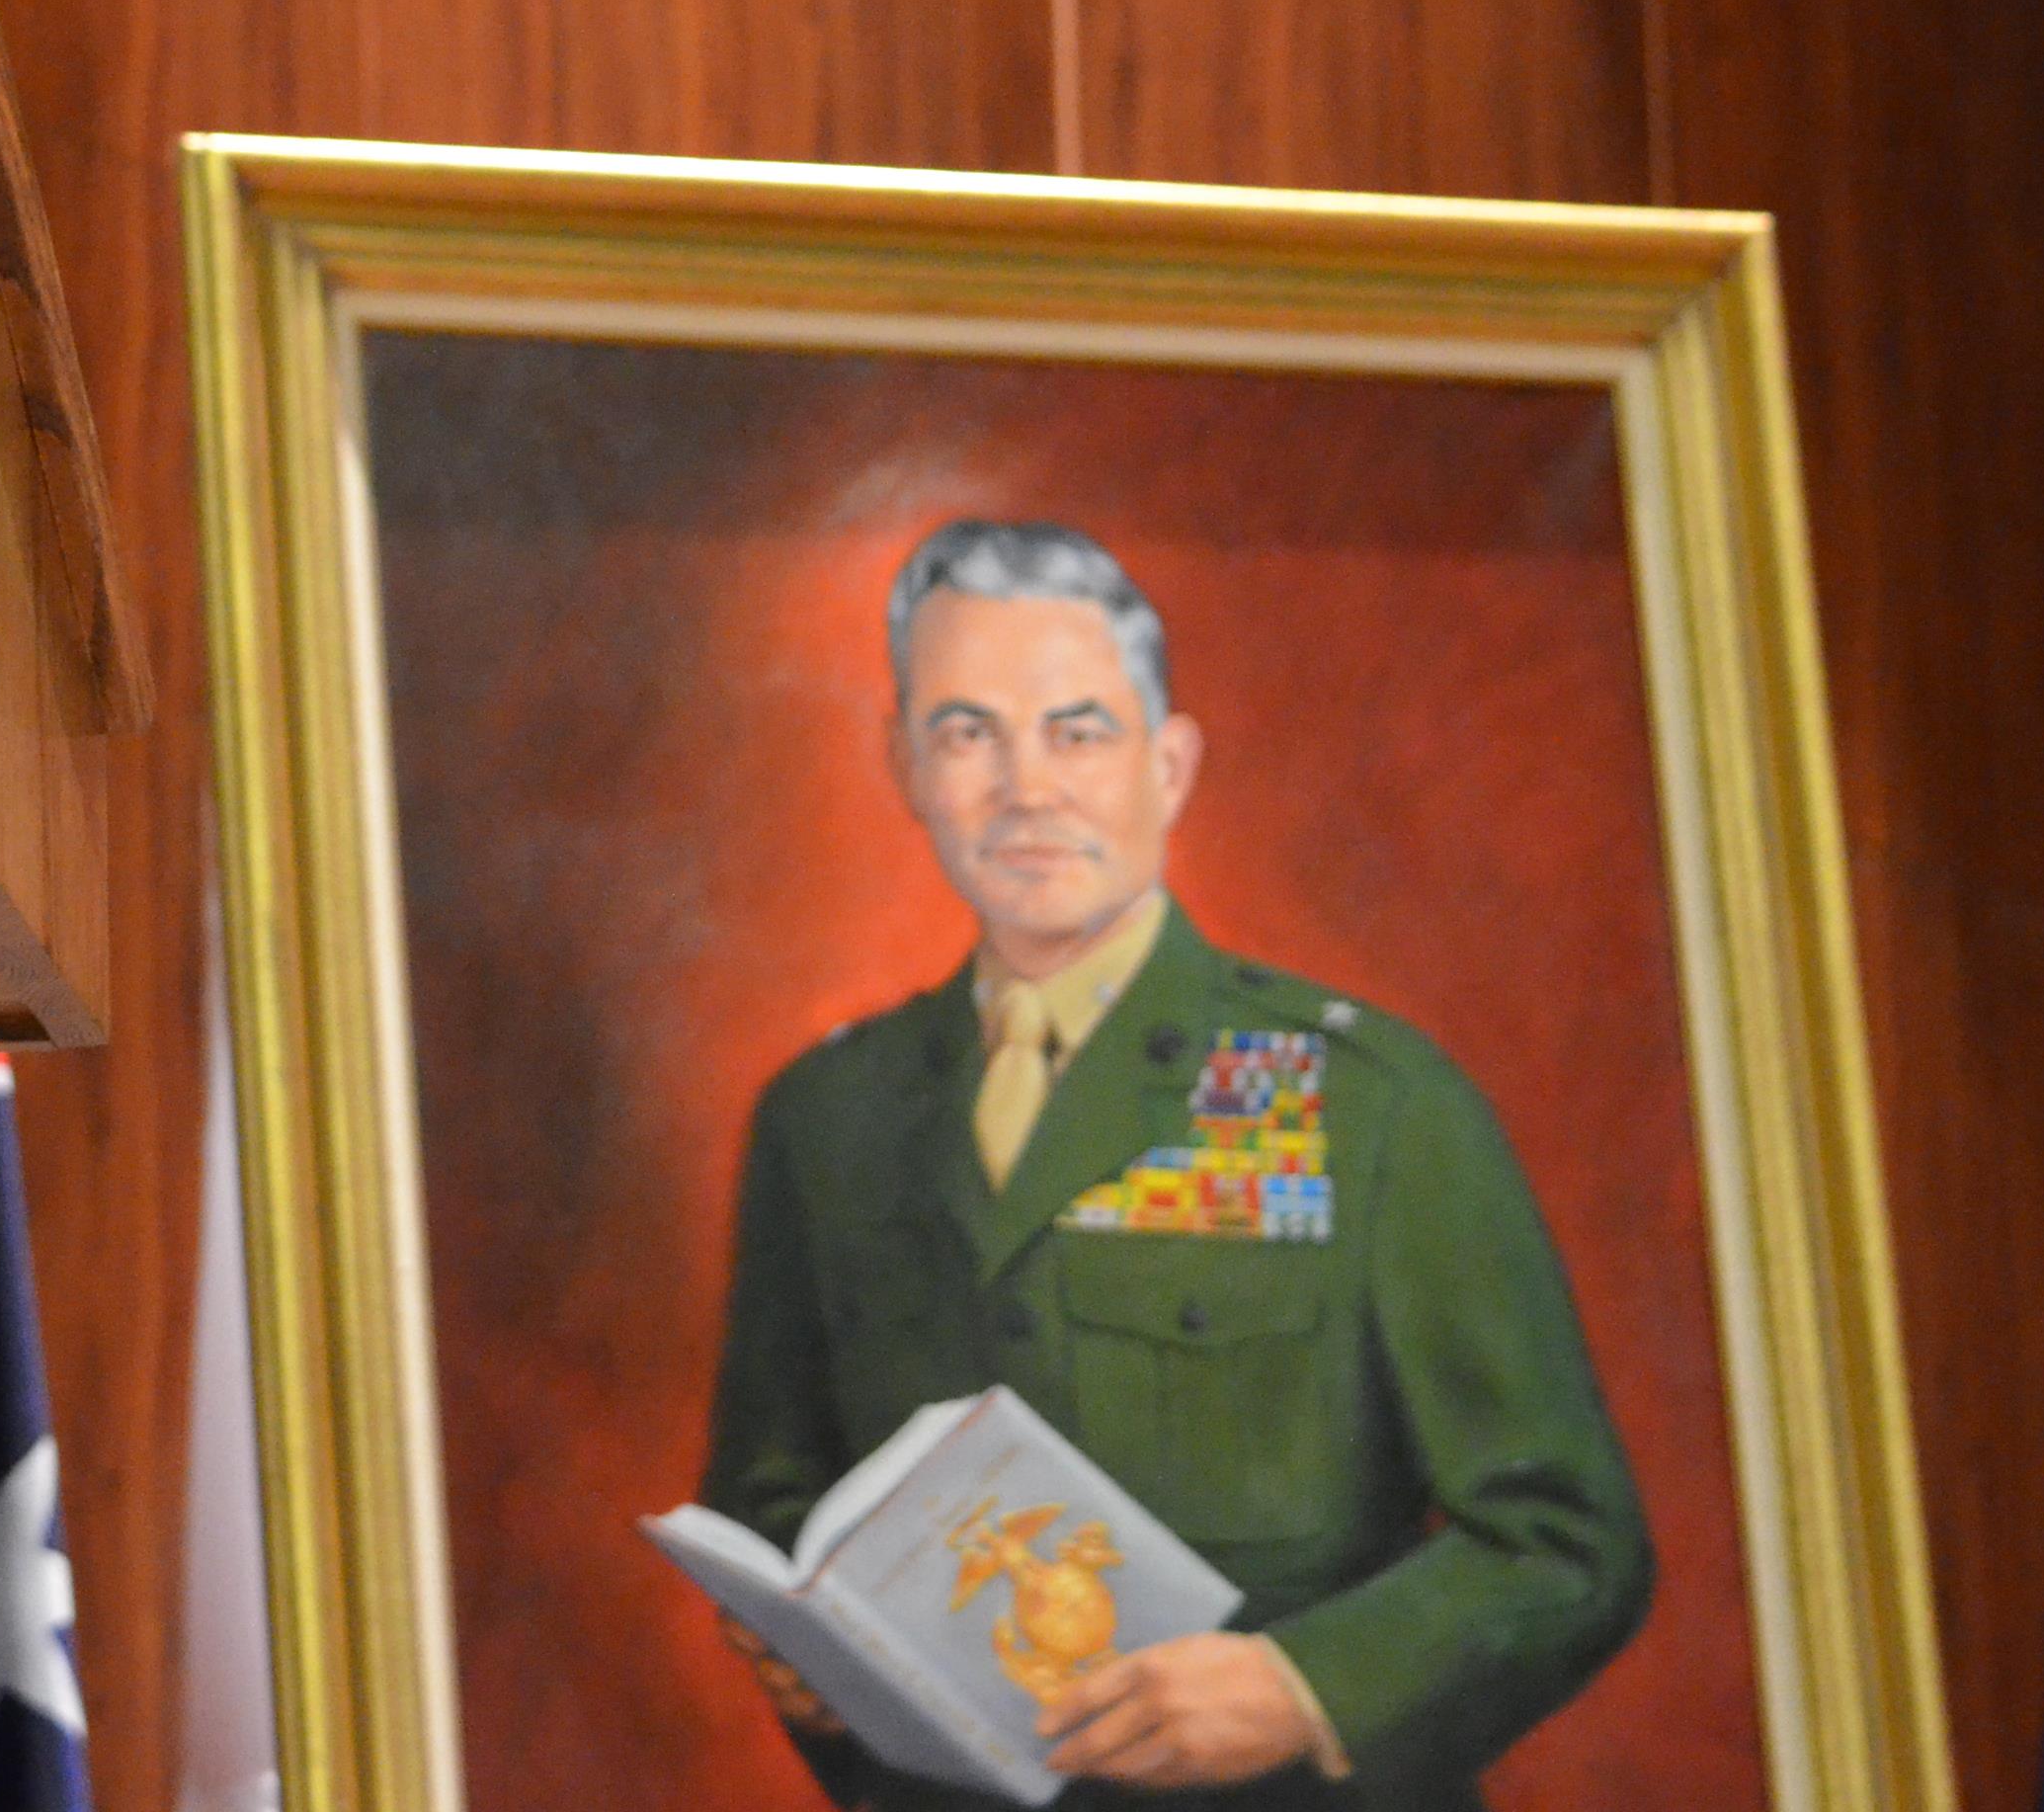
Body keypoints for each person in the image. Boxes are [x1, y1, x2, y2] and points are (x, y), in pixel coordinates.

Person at [699, 522, 1649, 1808]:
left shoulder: (1358, 1104)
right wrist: (801, 1644)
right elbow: (771, 1491)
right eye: (968, 733)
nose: (1026, 787)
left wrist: (1304, 1688)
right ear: (903, 765)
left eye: (1077, 730)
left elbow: (1567, 1542)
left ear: (1172, 763)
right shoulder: (827, 1121)